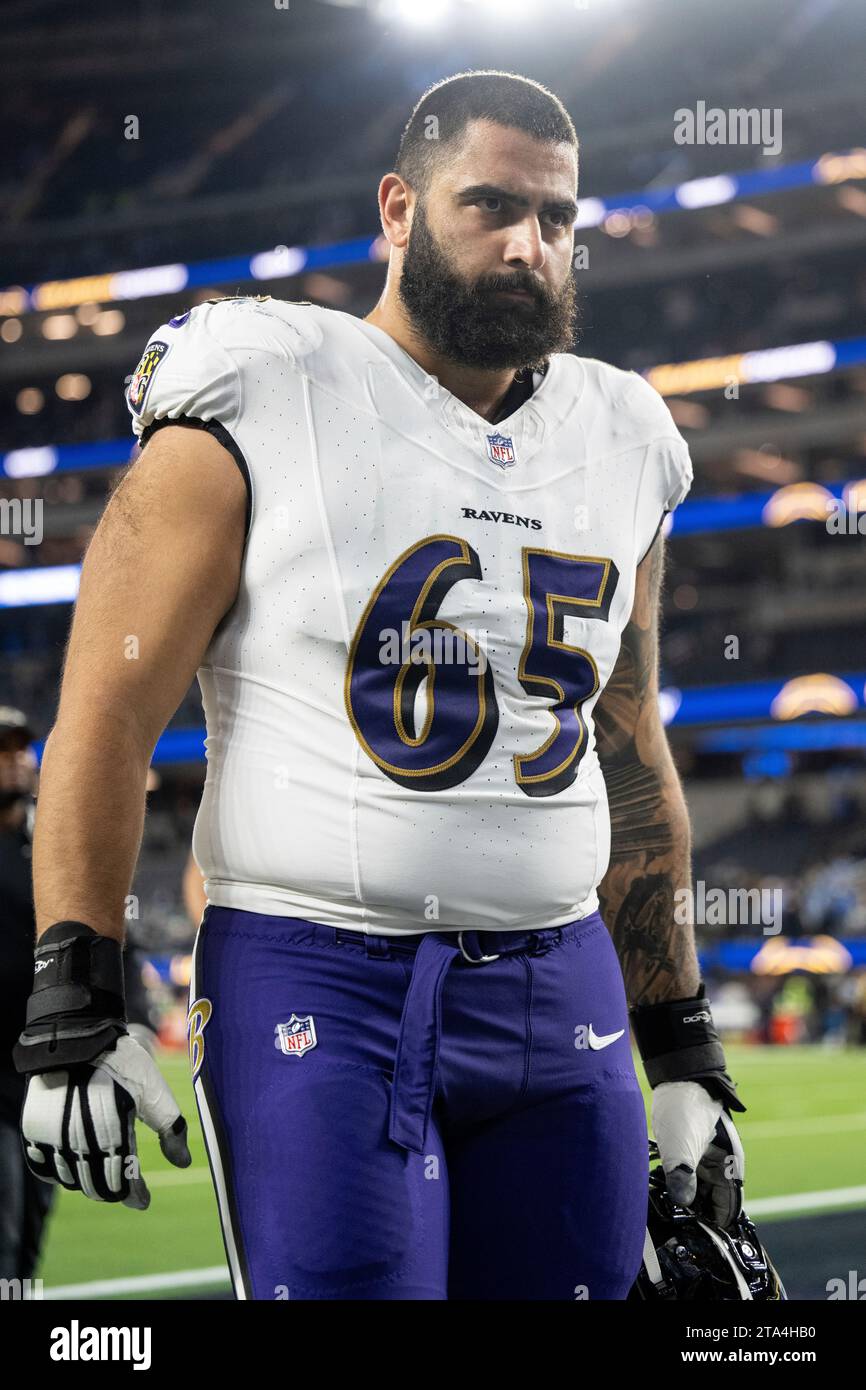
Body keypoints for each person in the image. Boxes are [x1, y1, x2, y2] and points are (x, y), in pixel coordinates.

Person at [15, 70, 745, 1300]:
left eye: (558, 219)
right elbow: (105, 711)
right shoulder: (259, 376)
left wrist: (680, 1043)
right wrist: (72, 993)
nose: (529, 245)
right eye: (491, 205)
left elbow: (625, 751)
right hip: (321, 973)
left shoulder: (623, 435)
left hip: (559, 976)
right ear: (398, 208)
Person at [0, 707, 53, 1285]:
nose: (15, 758)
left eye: (20, 747)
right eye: (2, 749)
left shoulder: (50, 843)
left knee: (30, 1238)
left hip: (39, 1076)